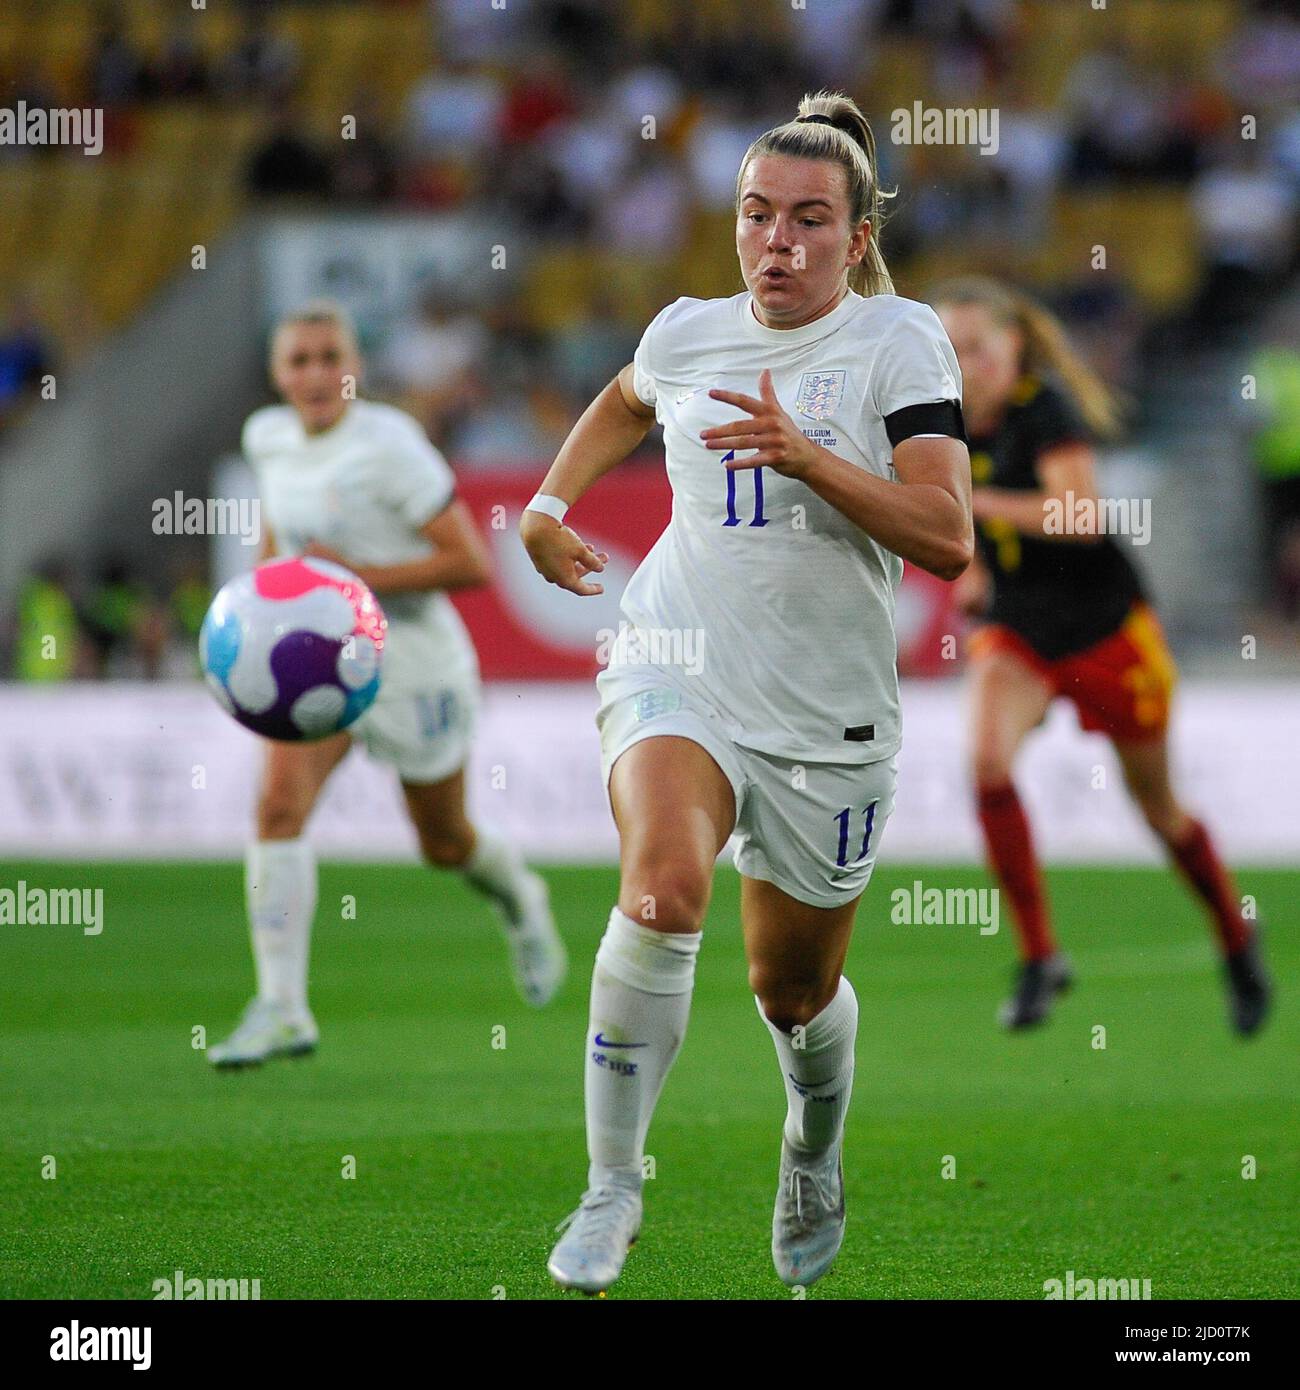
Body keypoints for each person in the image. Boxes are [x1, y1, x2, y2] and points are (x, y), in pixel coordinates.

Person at [522, 92, 972, 1294]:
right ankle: (612, 1183)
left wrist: (808, 458)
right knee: (662, 888)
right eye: (755, 213)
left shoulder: (898, 342)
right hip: (677, 663)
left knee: (792, 992)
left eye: (809, 220)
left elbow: (946, 536)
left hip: (828, 716)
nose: (776, 241)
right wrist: (549, 504)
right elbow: (627, 397)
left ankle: (811, 1146)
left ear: (856, 239)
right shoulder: (687, 333)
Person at [210, 301, 566, 1068]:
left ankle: (520, 897)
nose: (315, 373)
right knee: (277, 807)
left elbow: (468, 562)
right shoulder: (267, 437)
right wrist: (258, 616)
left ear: (355, 368)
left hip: (411, 663)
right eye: (298, 360)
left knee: (444, 842)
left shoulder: (391, 446)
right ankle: (281, 1008)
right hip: (315, 660)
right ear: (277, 373)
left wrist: (354, 580)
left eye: (329, 357)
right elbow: (278, 539)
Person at [932, 276, 1272, 1035]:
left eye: (977, 347)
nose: (964, 364)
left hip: (1105, 631)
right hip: (1020, 630)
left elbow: (1080, 516)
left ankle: (1235, 936)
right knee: (986, 763)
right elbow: (960, 532)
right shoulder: (940, 422)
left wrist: (974, 506)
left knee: (1159, 811)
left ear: (1014, 347)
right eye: (949, 350)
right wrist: (974, 571)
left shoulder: (1042, 409)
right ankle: (1039, 956)